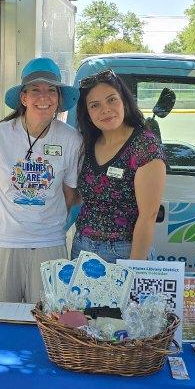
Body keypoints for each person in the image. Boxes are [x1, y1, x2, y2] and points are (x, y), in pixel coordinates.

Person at [0, 57, 82, 303]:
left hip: (49, 243)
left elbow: (70, 193)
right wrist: (8, 214)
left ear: (59, 99)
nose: (44, 97)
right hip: (0, 242)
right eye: (35, 90)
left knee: (47, 323)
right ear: (23, 98)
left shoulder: (71, 140)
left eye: (51, 90)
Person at [72, 69, 166, 262]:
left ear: (124, 100)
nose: (105, 109)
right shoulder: (87, 144)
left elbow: (149, 215)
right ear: (88, 114)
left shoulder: (144, 146)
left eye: (111, 99)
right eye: (95, 105)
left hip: (124, 251)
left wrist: (134, 268)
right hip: (82, 249)